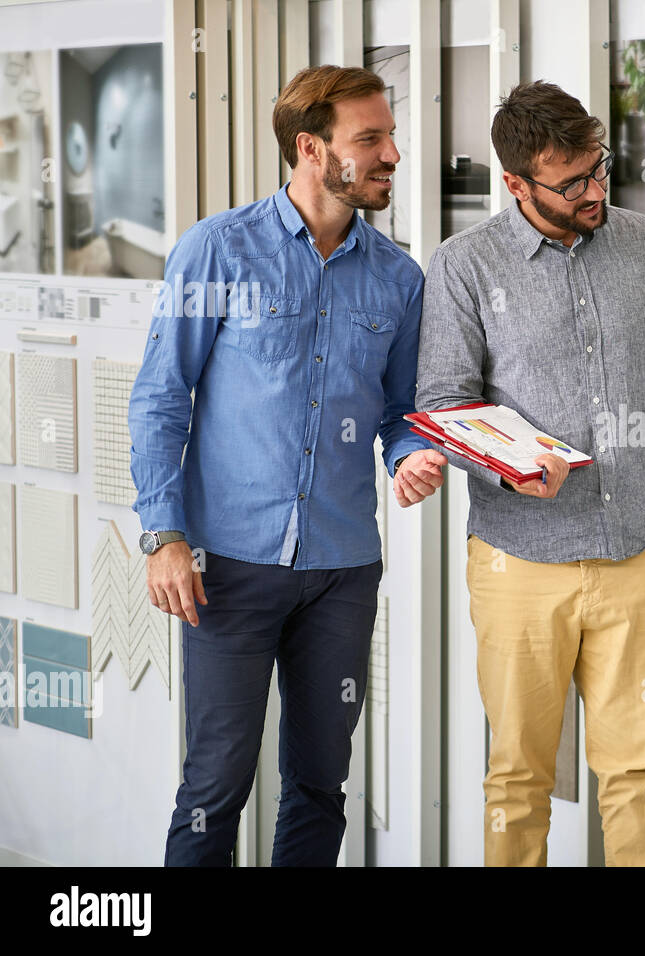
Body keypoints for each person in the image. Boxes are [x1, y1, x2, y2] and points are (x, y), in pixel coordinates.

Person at [416, 80, 645, 866]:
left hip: (636, 555)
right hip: (521, 562)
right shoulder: (463, 267)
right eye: (572, 180)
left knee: (636, 772)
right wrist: (515, 468)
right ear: (517, 183)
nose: (595, 191)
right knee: (518, 780)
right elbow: (446, 404)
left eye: (600, 169)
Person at [128, 64, 446, 867]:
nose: (392, 154)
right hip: (226, 566)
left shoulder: (400, 278)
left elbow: (399, 412)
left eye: (390, 135)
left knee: (320, 785)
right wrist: (162, 532)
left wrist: (412, 456)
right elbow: (161, 397)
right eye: (369, 139)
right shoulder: (216, 250)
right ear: (310, 148)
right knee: (214, 786)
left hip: (342, 570)